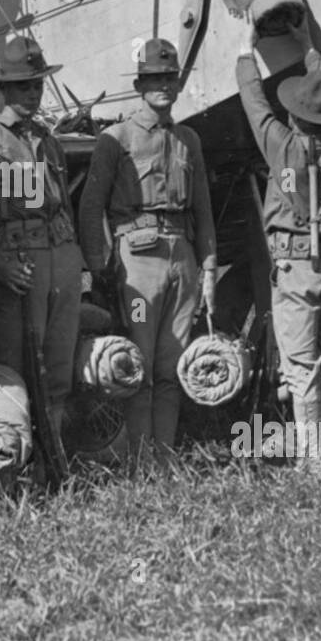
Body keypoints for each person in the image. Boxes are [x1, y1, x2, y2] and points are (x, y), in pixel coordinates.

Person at [236, 26, 321, 465]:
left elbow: (254, 104)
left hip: (298, 271)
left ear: (296, 116)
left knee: (302, 370)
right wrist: (310, 47)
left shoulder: (285, 148)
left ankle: (316, 463)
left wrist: (245, 52)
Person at [78, 38, 215, 461]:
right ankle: (141, 463)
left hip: (182, 262)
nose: (163, 87)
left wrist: (209, 268)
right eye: (154, 79)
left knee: (173, 367)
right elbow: (90, 207)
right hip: (137, 267)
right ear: (140, 85)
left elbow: (204, 209)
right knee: (137, 363)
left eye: (169, 78)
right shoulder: (114, 140)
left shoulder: (188, 139)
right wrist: (99, 267)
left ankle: (165, 458)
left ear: (177, 84)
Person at [0, 37, 82, 455]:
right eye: (24, 85)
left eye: (38, 84)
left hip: (60, 261)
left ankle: (56, 458)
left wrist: (75, 262)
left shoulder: (48, 142)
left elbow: (62, 202)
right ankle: (16, 459)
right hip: (17, 271)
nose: (33, 92)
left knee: (59, 364)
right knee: (15, 368)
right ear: (4, 90)